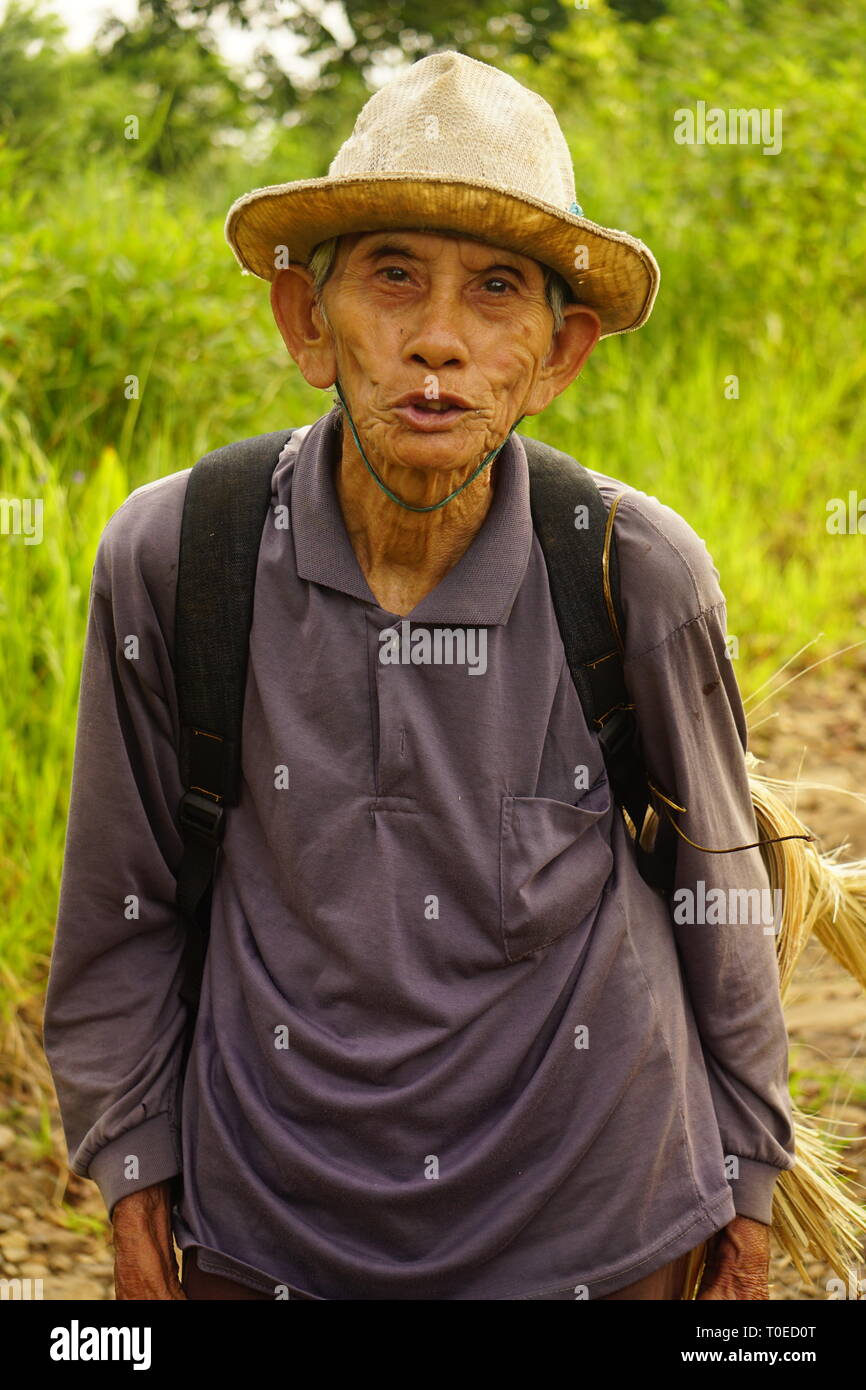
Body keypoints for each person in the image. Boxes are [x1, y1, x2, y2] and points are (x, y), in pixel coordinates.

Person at [44, 50, 795, 1301]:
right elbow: (119, 907)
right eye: (393, 277)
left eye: (495, 290)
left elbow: (721, 888)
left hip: (597, 1227)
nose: (437, 341)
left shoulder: (632, 570)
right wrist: (132, 1183)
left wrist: (752, 1193)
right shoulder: (181, 555)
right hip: (268, 1235)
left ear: (557, 356)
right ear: (306, 322)